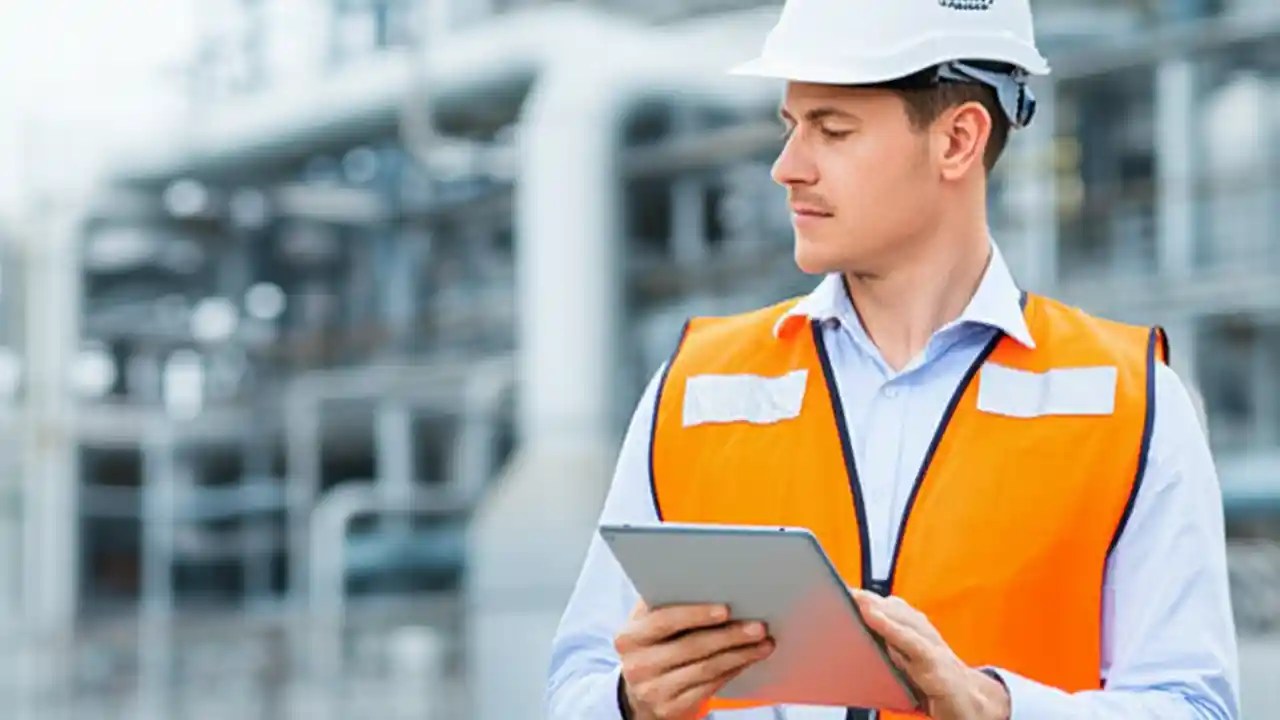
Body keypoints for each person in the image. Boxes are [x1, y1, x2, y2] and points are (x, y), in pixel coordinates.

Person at [546, 0, 1240, 718]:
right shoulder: (695, 387)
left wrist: (999, 708)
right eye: (791, 127)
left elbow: (1193, 705)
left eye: (833, 130)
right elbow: (577, 685)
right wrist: (629, 704)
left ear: (957, 141)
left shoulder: (1129, 403)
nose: (787, 168)